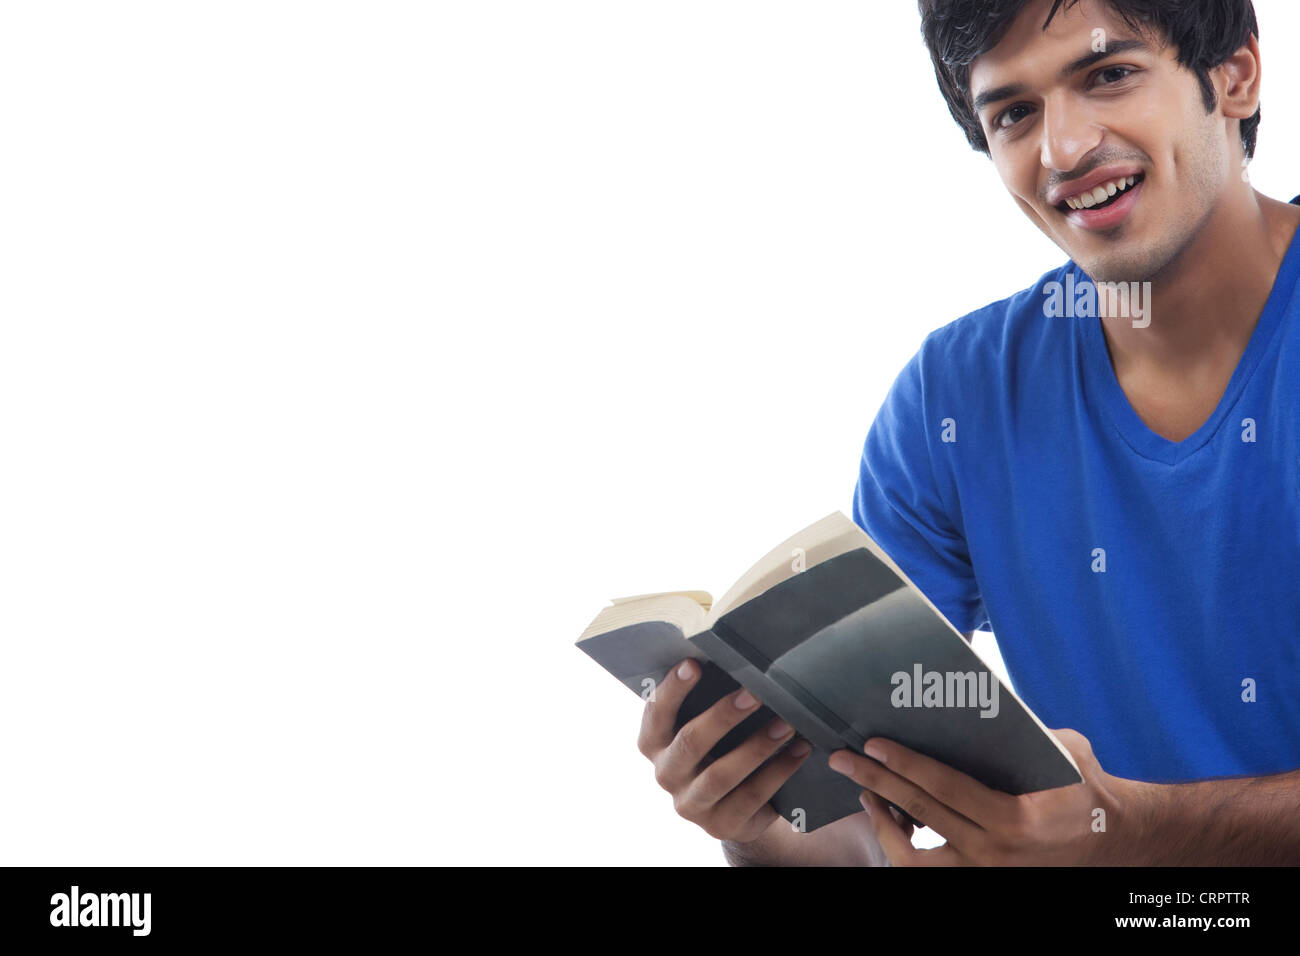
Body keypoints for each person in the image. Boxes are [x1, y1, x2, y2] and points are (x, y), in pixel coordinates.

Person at [637, 0, 1300, 865]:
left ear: (1236, 76)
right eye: (1014, 113)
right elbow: (867, 828)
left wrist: (1136, 833)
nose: (1063, 150)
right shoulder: (954, 400)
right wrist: (763, 822)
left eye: (1109, 75)